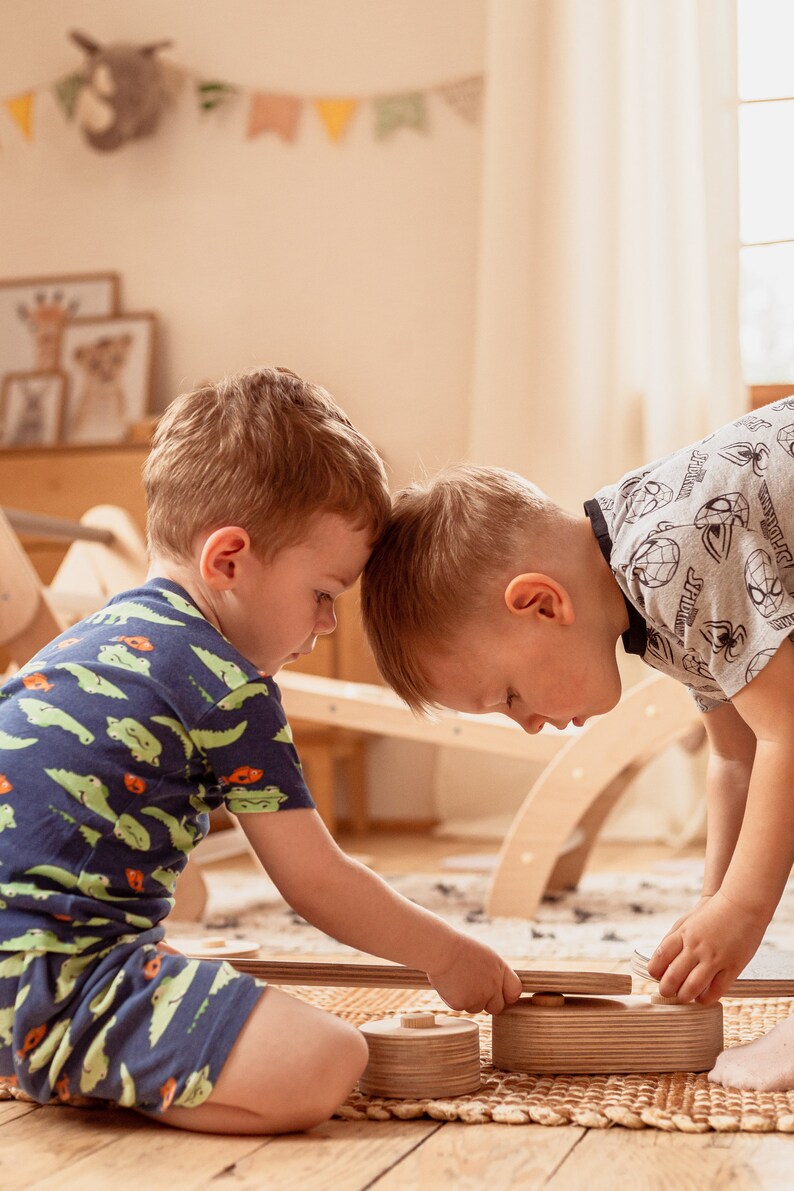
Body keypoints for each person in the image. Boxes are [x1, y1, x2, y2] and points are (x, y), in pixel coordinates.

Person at [0, 366, 522, 1133]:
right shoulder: (227, 684)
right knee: (328, 1060)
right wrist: (447, 955)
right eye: (323, 594)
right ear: (229, 560)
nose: (327, 625)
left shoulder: (81, 641)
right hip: (63, 981)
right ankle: (72, 1065)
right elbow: (316, 882)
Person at [360, 399, 794, 1091]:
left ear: (540, 604)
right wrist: (713, 912)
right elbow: (737, 756)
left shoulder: (673, 559)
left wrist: (742, 911)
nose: (527, 722)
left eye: (509, 696)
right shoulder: (641, 582)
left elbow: (787, 734)